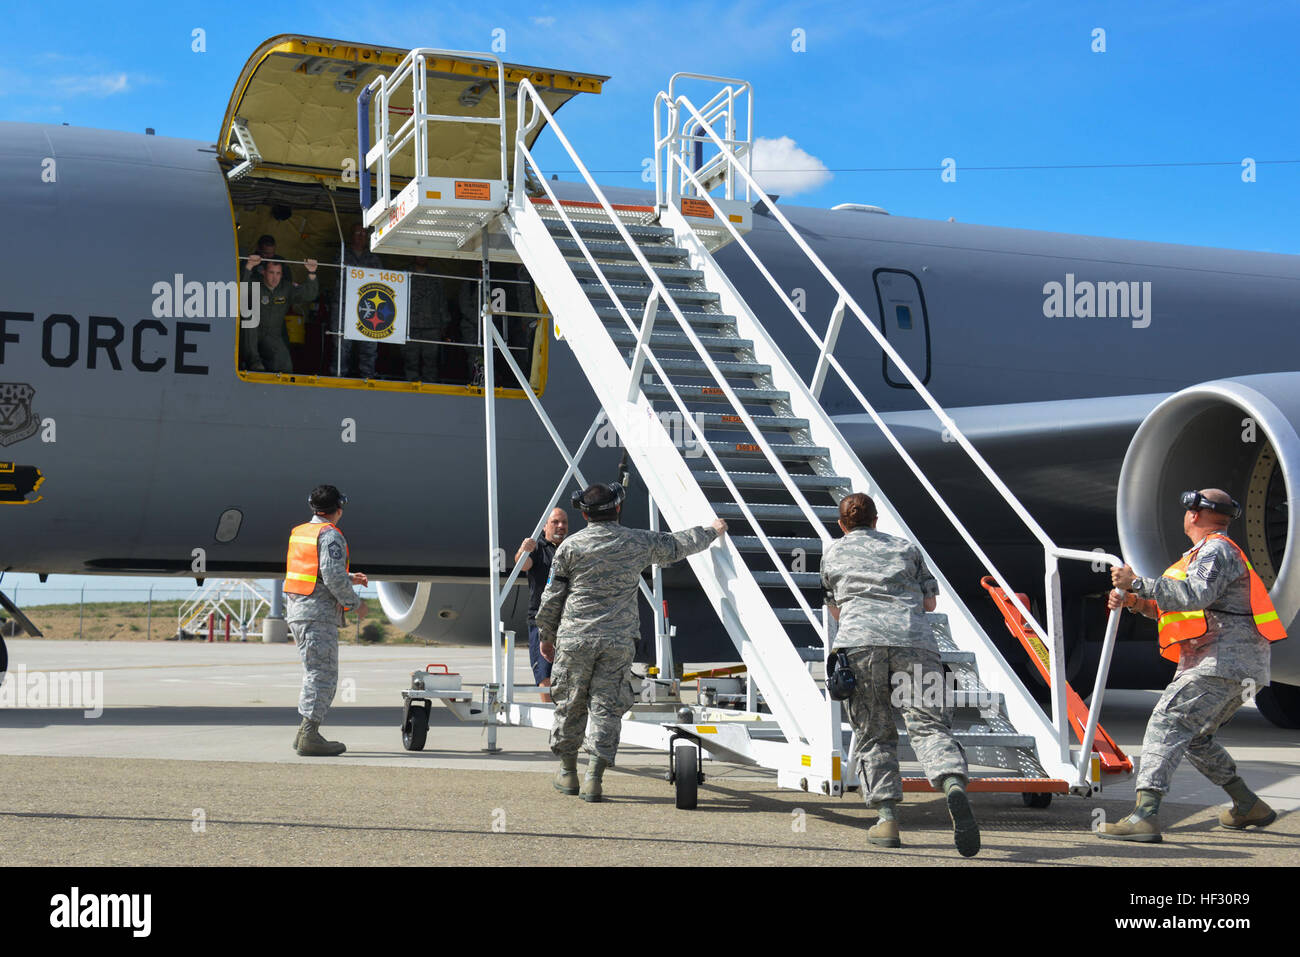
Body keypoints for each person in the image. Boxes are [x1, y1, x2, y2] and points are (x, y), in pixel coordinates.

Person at [1101, 488, 1286, 843]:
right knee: (1196, 738)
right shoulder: (1207, 553)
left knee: (1167, 721)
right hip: (1235, 665)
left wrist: (1136, 582)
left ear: (1195, 515)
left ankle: (1144, 816)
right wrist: (1137, 602)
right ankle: (1247, 804)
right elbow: (1189, 607)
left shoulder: (1215, 550)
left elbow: (1195, 595)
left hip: (1221, 662)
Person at [535, 483, 725, 802]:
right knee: (607, 707)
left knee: (570, 701)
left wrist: (546, 635)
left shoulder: (570, 547)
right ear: (618, 510)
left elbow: (552, 596)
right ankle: (595, 777)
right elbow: (676, 544)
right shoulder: (637, 541)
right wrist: (712, 530)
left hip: (575, 638)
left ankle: (568, 773)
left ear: (584, 514)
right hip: (618, 639)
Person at [821, 492, 979, 857]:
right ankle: (953, 784)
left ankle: (887, 819)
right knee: (929, 726)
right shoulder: (906, 547)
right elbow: (929, 603)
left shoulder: (833, 552)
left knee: (873, 732)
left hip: (860, 645)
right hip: (915, 644)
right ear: (876, 521)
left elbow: (835, 611)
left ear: (843, 525)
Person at [284, 484, 369, 756]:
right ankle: (309, 734)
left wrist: (349, 577)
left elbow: (315, 572)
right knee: (322, 675)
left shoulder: (301, 532)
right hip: (317, 615)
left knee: (315, 672)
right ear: (339, 509)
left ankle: (304, 734)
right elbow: (331, 575)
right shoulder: (330, 535)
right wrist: (354, 603)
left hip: (299, 611)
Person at [516, 507, 569, 703]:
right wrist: (524, 549)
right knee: (544, 675)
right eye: (555, 522)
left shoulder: (572, 548)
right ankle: (550, 717)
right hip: (541, 621)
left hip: (570, 622)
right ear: (545, 526)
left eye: (564, 522)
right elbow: (522, 565)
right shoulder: (538, 548)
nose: (561, 526)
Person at [243, 256, 319, 373]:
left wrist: (312, 272)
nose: (275, 278)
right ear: (263, 272)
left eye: (278, 273)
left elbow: (309, 294)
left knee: (285, 368)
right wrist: (249, 266)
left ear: (282, 274)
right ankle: (253, 361)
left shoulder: (286, 288)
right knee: (249, 318)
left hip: (273, 335)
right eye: (271, 273)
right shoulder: (255, 284)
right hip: (251, 333)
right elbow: (238, 288)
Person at [343, 223, 382, 379]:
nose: (360, 237)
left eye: (363, 234)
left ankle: (368, 377)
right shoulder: (342, 255)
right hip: (345, 308)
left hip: (369, 309)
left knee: (369, 347)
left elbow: (379, 283)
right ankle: (339, 377)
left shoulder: (374, 259)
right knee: (342, 346)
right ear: (351, 235)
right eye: (357, 233)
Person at [404, 256, 446, 383]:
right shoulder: (405, 274)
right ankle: (411, 386)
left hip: (432, 326)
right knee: (410, 359)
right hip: (410, 324)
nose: (421, 257)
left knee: (431, 361)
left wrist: (445, 323)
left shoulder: (436, 276)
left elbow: (442, 300)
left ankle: (430, 385)